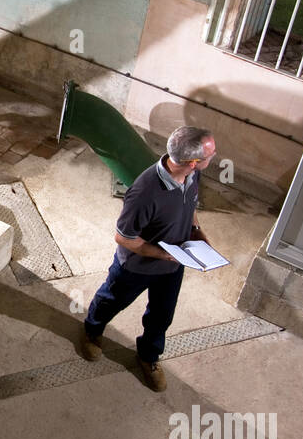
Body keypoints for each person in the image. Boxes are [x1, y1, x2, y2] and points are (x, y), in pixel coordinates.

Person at [77, 125, 217, 392]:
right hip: (136, 266)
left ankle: (149, 356)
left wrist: (196, 231)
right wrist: (164, 254)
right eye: (212, 154)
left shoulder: (191, 176)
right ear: (194, 161)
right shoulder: (144, 193)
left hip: (173, 264)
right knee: (111, 301)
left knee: (162, 316)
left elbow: (190, 206)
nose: (215, 157)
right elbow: (123, 237)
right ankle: (92, 331)